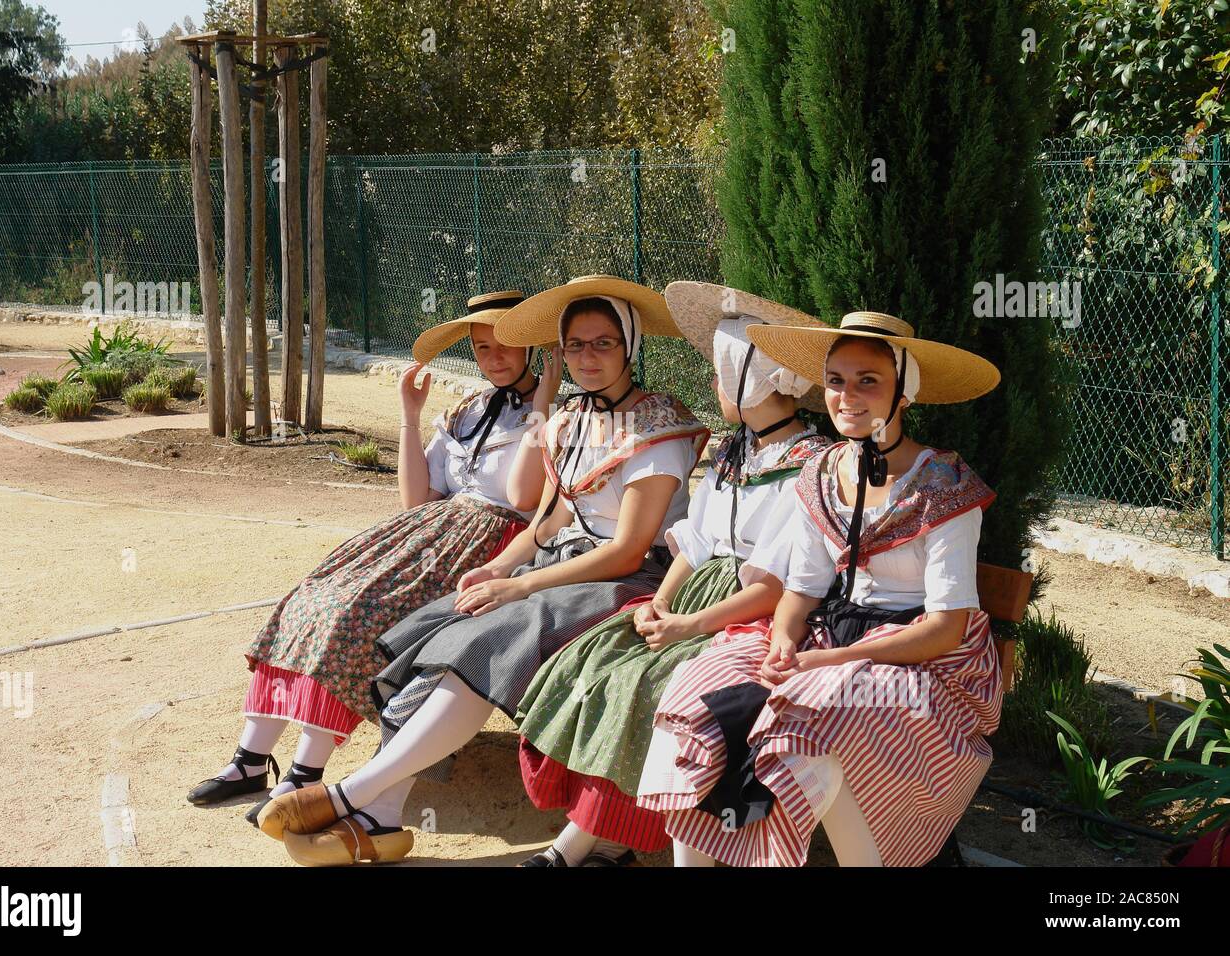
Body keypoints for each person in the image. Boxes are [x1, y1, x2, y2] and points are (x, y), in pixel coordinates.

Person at [255, 275, 711, 866]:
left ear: (630, 346)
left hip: (626, 583)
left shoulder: (658, 426)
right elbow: (547, 522)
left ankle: (353, 796)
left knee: (487, 638)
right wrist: (495, 568)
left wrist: (519, 585)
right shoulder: (569, 419)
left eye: (603, 343)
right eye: (576, 345)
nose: (588, 358)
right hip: (560, 567)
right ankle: (382, 812)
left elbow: (627, 550)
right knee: (439, 625)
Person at [637, 310, 1003, 867]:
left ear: (905, 393)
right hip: (827, 640)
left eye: (869, 381)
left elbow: (944, 628)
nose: (847, 396)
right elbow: (802, 591)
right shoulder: (823, 473)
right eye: (836, 380)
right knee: (696, 694)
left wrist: (831, 659)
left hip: (923, 664)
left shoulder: (944, 487)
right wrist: (785, 639)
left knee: (809, 727)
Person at [185, 291, 548, 825]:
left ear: (531, 345)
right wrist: (410, 415)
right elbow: (416, 499)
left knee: (353, 618)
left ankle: (304, 776)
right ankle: (250, 758)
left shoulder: (556, 412)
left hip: (491, 546)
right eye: (481, 347)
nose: (493, 358)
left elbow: (521, 500)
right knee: (314, 598)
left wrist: (542, 405)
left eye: (505, 345)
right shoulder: (468, 410)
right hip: (424, 531)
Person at [514, 281, 831, 866]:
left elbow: (776, 587)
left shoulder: (809, 467)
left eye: (720, 369)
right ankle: (603, 836)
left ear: (752, 375)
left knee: (649, 687)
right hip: (695, 598)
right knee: (595, 660)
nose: (714, 381)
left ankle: (579, 844)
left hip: (747, 616)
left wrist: (689, 626)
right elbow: (695, 542)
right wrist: (659, 603)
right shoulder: (738, 454)